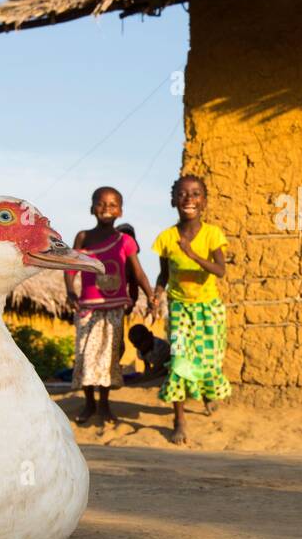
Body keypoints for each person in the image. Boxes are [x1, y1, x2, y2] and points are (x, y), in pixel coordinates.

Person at [151, 175, 231, 444]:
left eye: (196, 194)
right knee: (179, 362)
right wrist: (157, 293)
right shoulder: (166, 238)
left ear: (204, 202)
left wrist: (193, 254)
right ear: (173, 200)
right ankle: (179, 420)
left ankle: (208, 394)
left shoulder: (212, 235)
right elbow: (164, 274)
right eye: (183, 194)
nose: (189, 199)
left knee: (209, 361)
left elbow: (220, 270)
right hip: (180, 309)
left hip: (209, 309)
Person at [65, 187, 154, 424]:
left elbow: (138, 273)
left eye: (113, 204)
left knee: (108, 356)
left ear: (121, 211)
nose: (106, 208)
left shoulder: (125, 241)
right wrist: (70, 290)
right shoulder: (83, 237)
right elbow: (72, 265)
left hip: (113, 308)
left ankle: (104, 405)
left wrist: (151, 296)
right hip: (88, 308)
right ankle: (89, 404)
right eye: (101, 203)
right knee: (85, 355)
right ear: (91, 208)